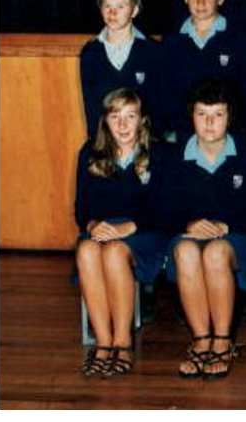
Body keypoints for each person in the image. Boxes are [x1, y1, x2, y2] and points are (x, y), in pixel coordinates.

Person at [158, 76, 246, 379]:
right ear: (191, 116)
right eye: (201, 114)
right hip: (189, 236)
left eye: (217, 115)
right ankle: (200, 339)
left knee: (216, 253)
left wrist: (226, 224)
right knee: (184, 250)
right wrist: (188, 224)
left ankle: (222, 340)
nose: (209, 123)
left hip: (236, 239)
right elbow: (161, 210)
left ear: (229, 117)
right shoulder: (173, 157)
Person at [74, 88, 168, 377]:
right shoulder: (90, 153)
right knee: (87, 249)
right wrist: (92, 226)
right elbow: (82, 209)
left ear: (142, 120)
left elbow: (168, 208)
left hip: (146, 228)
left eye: (131, 116)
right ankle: (103, 343)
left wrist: (129, 227)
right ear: (105, 121)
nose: (123, 125)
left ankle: (123, 342)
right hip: (105, 228)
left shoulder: (159, 152)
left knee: (115, 251)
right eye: (116, 117)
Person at [161, 0, 246, 140]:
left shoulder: (240, 40)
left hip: (229, 136)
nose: (200, 2)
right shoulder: (171, 43)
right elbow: (166, 96)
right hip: (184, 136)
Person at [80, 0, 163, 138]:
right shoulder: (91, 52)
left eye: (120, 6)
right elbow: (91, 109)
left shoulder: (152, 51)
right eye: (107, 6)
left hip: (144, 143)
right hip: (106, 145)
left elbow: (159, 105)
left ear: (135, 9)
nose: (112, 12)